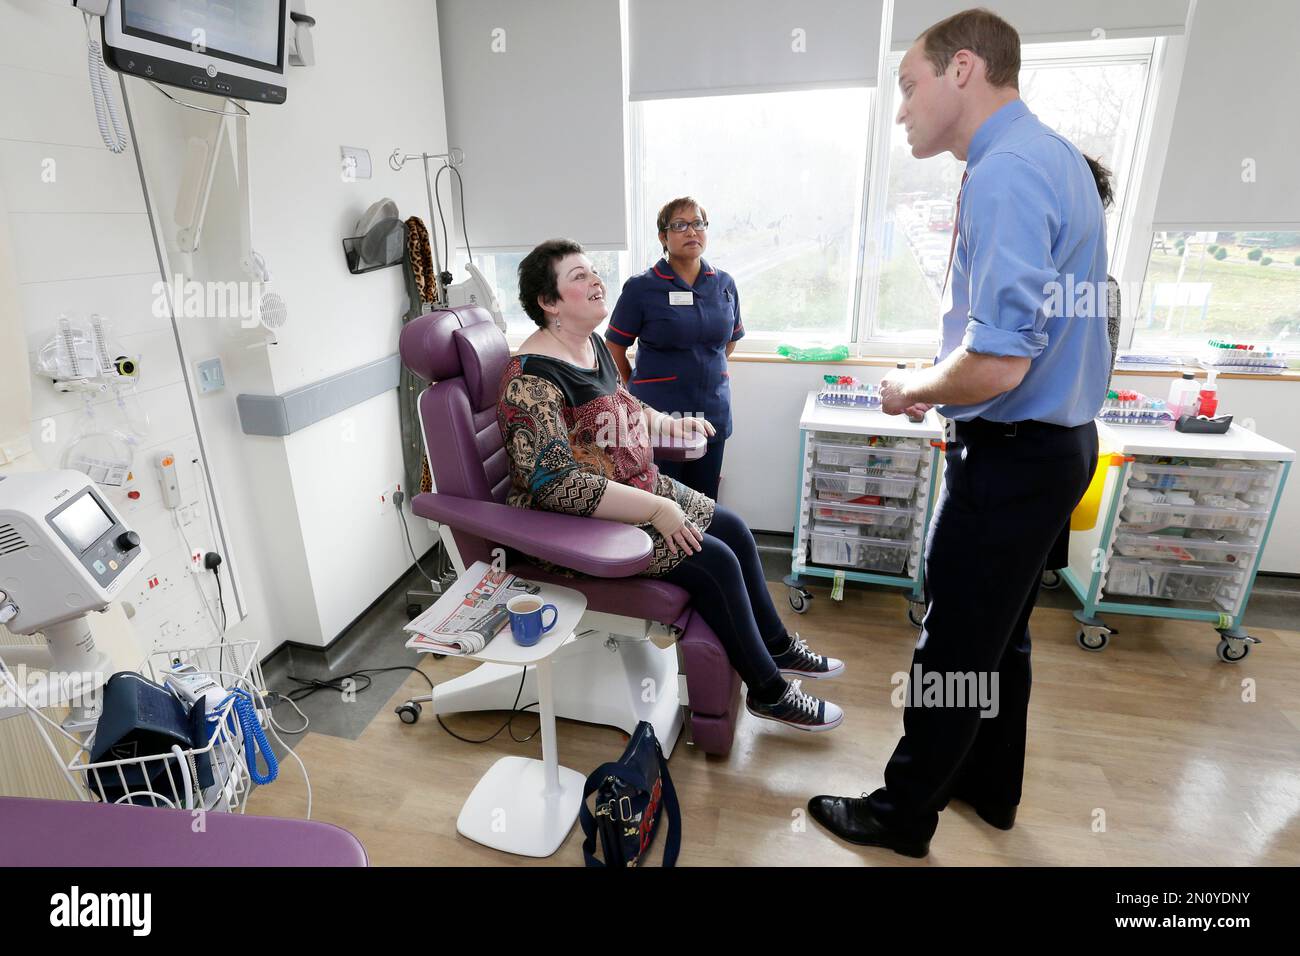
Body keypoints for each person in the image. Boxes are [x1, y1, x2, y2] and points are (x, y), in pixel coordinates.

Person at [807, 8, 1108, 857]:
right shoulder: (1053, 156)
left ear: (963, 70)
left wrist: (912, 388)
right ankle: (989, 785)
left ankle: (902, 815)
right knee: (1000, 635)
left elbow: (998, 364)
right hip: (1055, 448)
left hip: (1013, 453)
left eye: (909, 86)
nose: (901, 109)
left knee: (952, 646)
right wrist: (950, 362)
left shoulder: (1005, 171)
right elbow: (1013, 332)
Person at [499, 238, 844, 732]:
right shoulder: (528, 380)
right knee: (716, 560)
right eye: (578, 277)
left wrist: (667, 424)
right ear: (548, 303)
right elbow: (556, 485)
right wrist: (657, 511)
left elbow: (625, 405)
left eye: (593, 271)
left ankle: (778, 648)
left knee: (736, 531)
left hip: (638, 487)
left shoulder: (589, 346)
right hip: (580, 524)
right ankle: (768, 693)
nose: (596, 281)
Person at [605, 197, 742, 500]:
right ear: (663, 237)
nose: (691, 231)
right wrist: (632, 387)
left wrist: (703, 367)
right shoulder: (642, 288)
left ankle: (703, 550)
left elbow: (729, 340)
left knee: (704, 502)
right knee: (661, 501)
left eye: (698, 224)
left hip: (713, 410)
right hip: (660, 413)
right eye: (679, 225)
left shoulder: (724, 284)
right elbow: (614, 347)